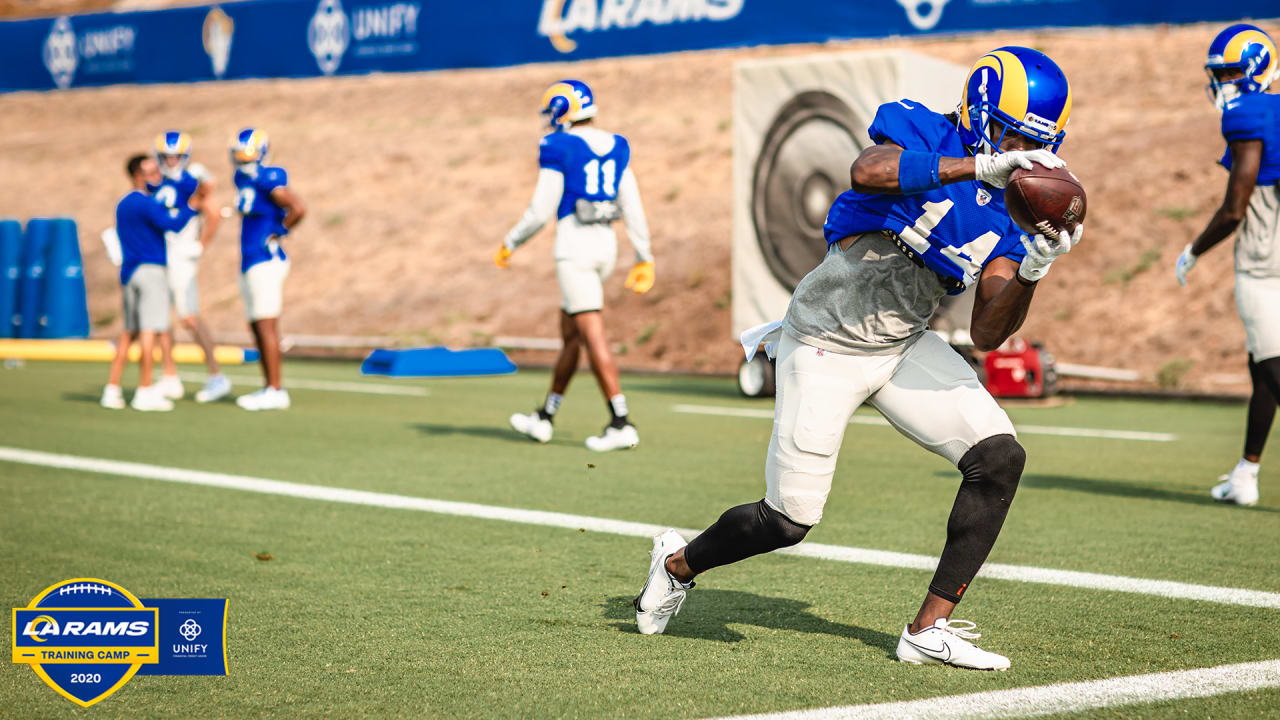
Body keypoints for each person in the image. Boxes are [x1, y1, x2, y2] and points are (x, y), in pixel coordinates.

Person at [634, 47, 1083, 671]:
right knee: (788, 521)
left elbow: (987, 331)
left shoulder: (1014, 205)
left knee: (999, 459)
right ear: (980, 113)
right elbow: (868, 171)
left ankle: (929, 629)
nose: (1019, 149)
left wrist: (1034, 268)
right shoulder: (922, 126)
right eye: (1009, 133)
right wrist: (976, 166)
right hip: (824, 340)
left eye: (1032, 141)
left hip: (901, 345)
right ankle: (679, 564)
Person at [498, 80, 654, 452]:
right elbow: (631, 204)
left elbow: (540, 210)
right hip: (605, 247)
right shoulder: (617, 145)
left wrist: (510, 242)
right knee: (572, 336)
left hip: (575, 250)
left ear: (560, 111)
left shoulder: (558, 146)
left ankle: (621, 421)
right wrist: (643, 254)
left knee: (592, 332)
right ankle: (546, 417)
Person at [1175, 24, 1280, 508]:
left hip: (1265, 268)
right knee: (1262, 370)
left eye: (1233, 72)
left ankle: (1246, 476)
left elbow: (1235, 209)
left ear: (1259, 68)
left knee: (1273, 368)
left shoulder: (1248, 112)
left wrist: (1194, 249)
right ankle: (1246, 473)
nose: (1226, 84)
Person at [100, 154, 197, 411]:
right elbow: (173, 225)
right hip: (151, 270)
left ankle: (112, 389)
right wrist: (192, 206)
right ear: (137, 176)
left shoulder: (123, 204)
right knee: (149, 331)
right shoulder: (146, 203)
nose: (158, 177)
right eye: (152, 172)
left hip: (129, 273)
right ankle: (144, 389)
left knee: (127, 332)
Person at [148, 130, 231, 404]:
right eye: (167, 157)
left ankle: (216, 375)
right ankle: (169, 376)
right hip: (159, 256)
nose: (171, 162)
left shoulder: (192, 179)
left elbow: (214, 211)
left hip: (182, 257)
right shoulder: (155, 182)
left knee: (189, 317)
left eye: (176, 157)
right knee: (160, 321)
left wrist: (200, 245)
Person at [229, 128, 306, 411]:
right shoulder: (240, 178)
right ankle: (268, 386)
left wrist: (279, 231)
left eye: (248, 153)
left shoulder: (269, 177)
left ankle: (276, 389)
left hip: (265, 258)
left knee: (267, 325)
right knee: (256, 325)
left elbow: (297, 207)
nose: (244, 159)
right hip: (249, 257)